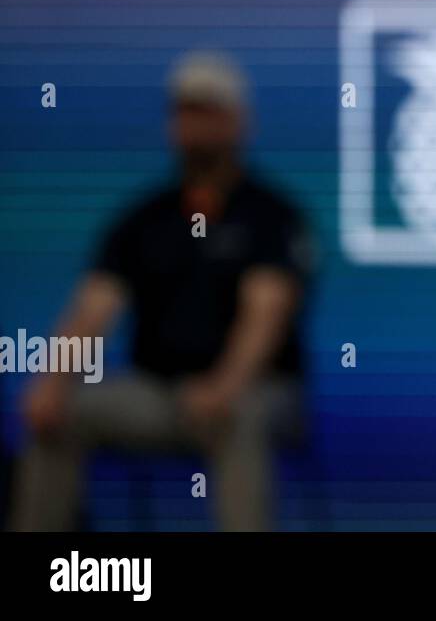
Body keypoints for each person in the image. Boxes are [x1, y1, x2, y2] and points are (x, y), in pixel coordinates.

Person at [9, 51, 315, 532]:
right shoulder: (144, 219)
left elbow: (266, 316)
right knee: (61, 413)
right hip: (158, 393)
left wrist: (223, 387)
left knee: (239, 418)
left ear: (237, 121)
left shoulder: (270, 217)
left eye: (206, 112)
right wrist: (50, 382)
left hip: (257, 391)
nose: (193, 126)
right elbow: (92, 311)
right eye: (184, 112)